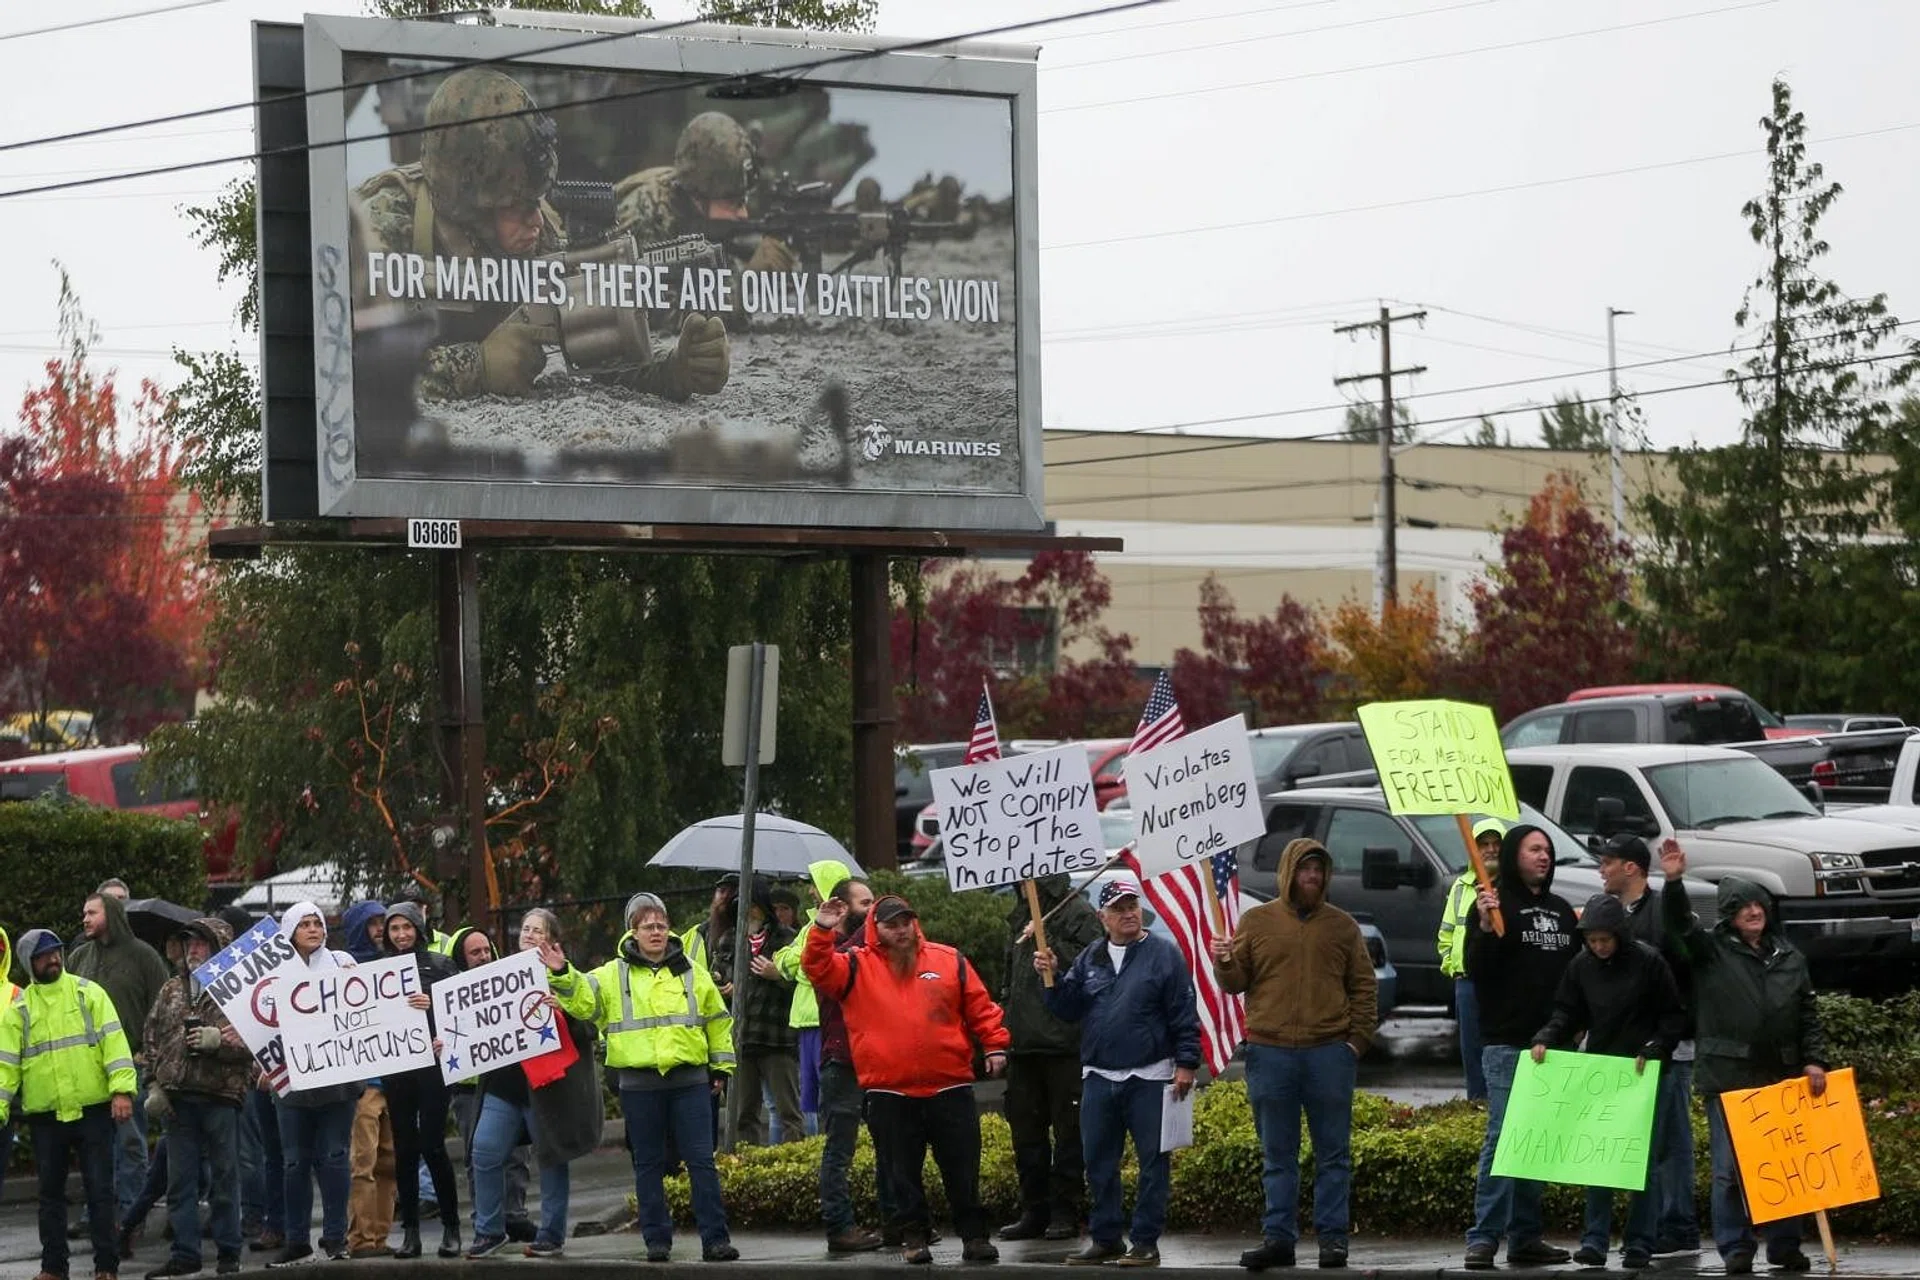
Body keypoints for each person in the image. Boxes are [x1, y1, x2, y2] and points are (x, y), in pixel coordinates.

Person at [354, 67, 730, 404]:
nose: (537, 220)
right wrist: (477, 367)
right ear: (470, 204)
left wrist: (675, 371)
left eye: (536, 201)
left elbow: (594, 350)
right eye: (516, 207)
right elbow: (344, 365)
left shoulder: (538, 231)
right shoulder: (381, 225)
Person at [804, 892, 1009, 1265]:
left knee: (963, 1169)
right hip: (889, 1089)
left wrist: (995, 1045)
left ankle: (975, 1237)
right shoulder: (853, 965)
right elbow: (816, 969)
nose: (901, 930)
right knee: (901, 1173)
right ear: (875, 929)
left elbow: (980, 1006)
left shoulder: (949, 960)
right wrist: (821, 930)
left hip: (951, 1085)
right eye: (891, 924)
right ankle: (913, 1238)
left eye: (906, 922)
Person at [1660, 840, 1826, 1276]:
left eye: (1759, 904)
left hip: (1782, 1076)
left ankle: (1784, 1244)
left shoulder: (1790, 956)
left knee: (1786, 1165)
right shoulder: (1710, 951)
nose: (1755, 911)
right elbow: (1678, 926)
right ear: (1730, 913)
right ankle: (1736, 1246)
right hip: (1729, 1076)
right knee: (1730, 1170)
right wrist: (1674, 881)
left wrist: (1814, 1060)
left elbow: (1808, 1012)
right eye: (1745, 906)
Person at [545, 893, 739, 1263]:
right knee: (647, 1165)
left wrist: (720, 1069)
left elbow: (717, 1021)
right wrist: (561, 973)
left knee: (701, 1162)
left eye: (661, 925)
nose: (656, 932)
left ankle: (715, 1240)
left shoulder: (692, 972)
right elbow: (582, 1001)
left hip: (689, 1080)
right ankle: (656, 1242)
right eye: (648, 926)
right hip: (639, 1084)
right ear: (632, 932)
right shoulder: (611, 974)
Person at [1213, 838, 1378, 1271]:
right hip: (1270, 1054)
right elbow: (1235, 982)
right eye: (1305, 870)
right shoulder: (1257, 922)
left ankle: (1333, 1241)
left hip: (1329, 1054)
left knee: (1334, 1154)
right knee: (1277, 1155)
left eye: (1319, 870)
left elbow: (1364, 986)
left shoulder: (1342, 927)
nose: (1313, 877)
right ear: (1289, 873)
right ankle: (1279, 1239)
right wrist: (1226, 962)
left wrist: (1355, 1044)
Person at [1037, 875, 1199, 1268]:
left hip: (1151, 1075)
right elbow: (1066, 1009)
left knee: (1152, 1162)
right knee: (1098, 1162)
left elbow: (1182, 1011)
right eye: (1118, 908)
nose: (1128, 913)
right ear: (1102, 916)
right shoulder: (1090, 956)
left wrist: (1186, 1064)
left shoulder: (1164, 954)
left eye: (1132, 906)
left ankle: (1145, 1241)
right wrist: (1052, 978)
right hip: (1099, 1076)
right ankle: (1106, 1237)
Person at [1529, 894, 1686, 1270]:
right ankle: (1594, 1241)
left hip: (1643, 1072)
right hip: (1602, 1071)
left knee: (1641, 1164)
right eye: (1592, 940)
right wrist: (1547, 1036)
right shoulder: (1582, 965)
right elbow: (1568, 1010)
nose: (1598, 947)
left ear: (1619, 934)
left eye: (1605, 940)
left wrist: (1655, 1047)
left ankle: (1639, 1244)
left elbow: (1673, 1016)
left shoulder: (1649, 962)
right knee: (1597, 1160)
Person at [1459, 825, 1580, 1271]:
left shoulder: (1563, 911)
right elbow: (1477, 971)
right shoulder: (1494, 905)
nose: (1544, 857)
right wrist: (1487, 929)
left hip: (1553, 1047)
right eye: (1534, 850)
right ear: (1514, 856)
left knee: (1537, 1143)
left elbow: (1576, 977)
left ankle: (1526, 1236)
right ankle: (1484, 1238)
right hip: (1508, 1045)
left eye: (1548, 850)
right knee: (1504, 1141)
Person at [0, 928, 137, 1280]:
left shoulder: (87, 994)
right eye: (44, 955)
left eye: (56, 951)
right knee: (49, 1196)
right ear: (29, 963)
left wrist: (121, 1091)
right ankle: (53, 1267)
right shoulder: (20, 1010)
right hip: (46, 1116)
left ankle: (106, 1266)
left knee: (100, 1190)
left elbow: (115, 1045)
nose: (54, 958)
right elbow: (6, 1067)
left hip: (91, 1110)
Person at [464, 909, 600, 1260]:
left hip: (547, 1089)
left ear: (551, 939)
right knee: (484, 1150)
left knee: (551, 1156)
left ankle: (551, 1234)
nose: (527, 934)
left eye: (536, 930)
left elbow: (589, 1023)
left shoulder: (565, 976)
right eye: (525, 928)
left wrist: (564, 1006)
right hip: (505, 1084)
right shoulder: (499, 976)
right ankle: (489, 1231)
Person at [1598, 834, 1701, 1256]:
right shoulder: (1610, 915)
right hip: (1630, 1051)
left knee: (1670, 1140)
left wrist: (1675, 881)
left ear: (1632, 868)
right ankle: (1656, 1224)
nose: (1600, 869)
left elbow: (1685, 955)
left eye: (1607, 861)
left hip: (1669, 1047)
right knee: (1646, 1140)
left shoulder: (1662, 912)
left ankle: (1677, 1226)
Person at [140, 918, 255, 1279]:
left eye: (201, 943)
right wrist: (153, 1085)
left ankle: (229, 1252)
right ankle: (185, 1253)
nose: (193, 949)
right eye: (189, 942)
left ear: (219, 947)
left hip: (221, 1096)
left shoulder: (238, 990)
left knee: (224, 1180)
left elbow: (257, 1044)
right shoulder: (171, 990)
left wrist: (219, 1043)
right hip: (178, 1099)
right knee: (180, 1182)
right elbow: (151, 1039)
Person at [999, 872, 1103, 1243]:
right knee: (1026, 1133)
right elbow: (1010, 978)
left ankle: (1065, 1209)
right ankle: (1034, 1209)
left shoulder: (1076, 911)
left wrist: (1053, 945)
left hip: (1064, 1044)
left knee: (1069, 1132)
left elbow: (1096, 963)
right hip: (1023, 1046)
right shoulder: (1019, 913)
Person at [789, 866, 886, 1252]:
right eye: (866, 903)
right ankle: (840, 1227)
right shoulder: (833, 953)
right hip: (843, 1064)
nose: (874, 909)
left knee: (892, 1146)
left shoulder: (875, 949)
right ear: (844, 909)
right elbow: (840, 960)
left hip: (877, 1062)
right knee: (839, 1150)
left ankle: (898, 1221)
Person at [68, 891, 171, 1235]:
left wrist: (151, 1055)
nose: (85, 919)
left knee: (129, 1141)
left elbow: (161, 1009)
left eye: (91, 913)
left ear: (110, 914)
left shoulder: (143, 956)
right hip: (87, 1066)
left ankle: (130, 1214)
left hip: (132, 1063)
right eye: (83, 913)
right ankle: (93, 1212)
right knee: (93, 1142)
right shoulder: (79, 957)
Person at [267, 902, 360, 1268]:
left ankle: (336, 1237)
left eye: (316, 923)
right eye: (303, 924)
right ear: (290, 932)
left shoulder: (343, 964)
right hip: (292, 1085)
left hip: (337, 1083)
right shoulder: (272, 974)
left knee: (335, 1158)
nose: (312, 929)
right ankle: (297, 1240)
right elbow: (262, 1022)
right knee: (294, 1164)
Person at [612, 111, 797, 275]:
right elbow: (652, 306)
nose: (743, 213)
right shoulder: (644, 218)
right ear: (698, 195)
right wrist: (747, 283)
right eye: (732, 203)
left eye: (743, 201)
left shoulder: (692, 205)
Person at [379, 903, 462, 1259]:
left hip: (433, 1066)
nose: (401, 935)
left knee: (433, 1145)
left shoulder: (441, 966)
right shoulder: (378, 971)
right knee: (405, 1150)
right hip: (397, 1068)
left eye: (406, 927)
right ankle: (410, 1232)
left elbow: (462, 1010)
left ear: (418, 928)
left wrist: (435, 1010)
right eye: (394, 929)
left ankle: (452, 1228)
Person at [338, 900, 397, 1259]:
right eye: (373, 923)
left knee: (390, 1161)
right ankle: (360, 1238)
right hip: (363, 1082)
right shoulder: (343, 970)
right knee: (363, 1161)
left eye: (383, 923)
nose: (380, 930)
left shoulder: (394, 967)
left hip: (395, 1078)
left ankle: (380, 1235)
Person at [728, 877, 803, 1149]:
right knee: (742, 1113)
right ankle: (745, 1166)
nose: (746, 912)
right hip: (741, 1039)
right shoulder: (730, 939)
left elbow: (801, 980)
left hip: (777, 1038)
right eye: (740, 906)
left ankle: (793, 1165)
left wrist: (778, 974)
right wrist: (723, 985)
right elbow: (716, 973)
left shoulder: (787, 938)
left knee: (789, 1113)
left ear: (763, 907)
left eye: (751, 905)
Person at [1437, 818, 1506, 1103]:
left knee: (1500, 1051)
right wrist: (1454, 968)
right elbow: (1446, 934)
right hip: (1466, 984)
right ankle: (1475, 1107)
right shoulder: (1460, 887)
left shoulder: (1512, 886)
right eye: (1483, 845)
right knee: (1472, 1053)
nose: (1490, 850)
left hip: (1500, 983)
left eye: (1495, 844)